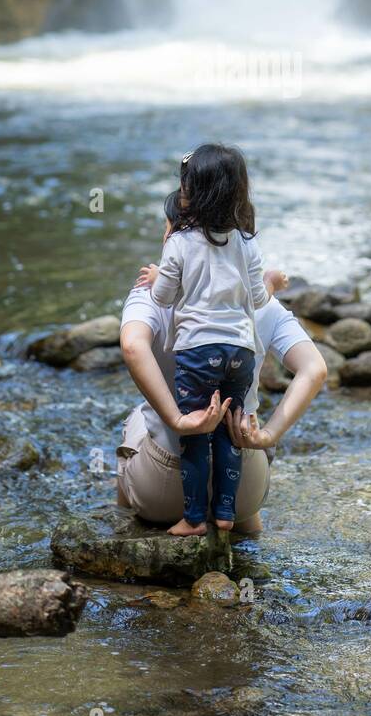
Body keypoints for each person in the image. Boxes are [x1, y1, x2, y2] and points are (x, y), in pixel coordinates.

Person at [119, 188, 327, 535]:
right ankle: (245, 527)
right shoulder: (264, 304)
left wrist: (176, 419)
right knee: (246, 430)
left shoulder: (152, 293)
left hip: (164, 487)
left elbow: (132, 347)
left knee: (134, 422)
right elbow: (315, 369)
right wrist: (270, 434)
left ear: (174, 235)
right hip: (243, 480)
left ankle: (123, 530)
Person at [136, 144, 274, 535]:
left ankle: (195, 519)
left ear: (193, 192)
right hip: (239, 352)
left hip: (199, 352)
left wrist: (155, 278)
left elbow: (162, 297)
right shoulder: (247, 241)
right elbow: (259, 298)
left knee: (196, 432)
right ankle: (227, 515)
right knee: (229, 433)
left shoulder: (180, 241)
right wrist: (272, 283)